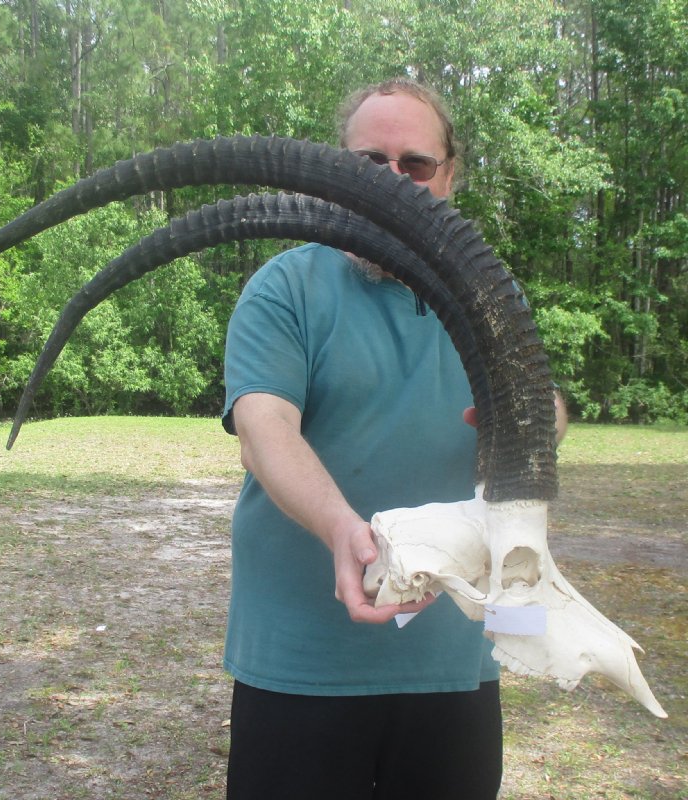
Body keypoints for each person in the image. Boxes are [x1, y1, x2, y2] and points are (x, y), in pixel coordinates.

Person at [221, 77, 565, 800]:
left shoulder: (491, 295)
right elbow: (263, 428)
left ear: (449, 176)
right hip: (301, 664)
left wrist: (533, 426)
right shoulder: (285, 288)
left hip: (454, 666)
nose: (390, 182)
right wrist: (340, 527)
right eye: (368, 163)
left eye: (415, 164)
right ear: (335, 170)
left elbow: (546, 404)